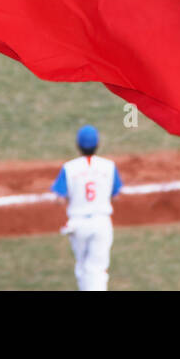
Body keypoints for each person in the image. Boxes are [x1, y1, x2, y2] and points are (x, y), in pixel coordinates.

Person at [50, 124, 122, 290]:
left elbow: (60, 199)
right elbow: (116, 195)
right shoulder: (108, 166)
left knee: (82, 267)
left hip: (78, 225)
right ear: (98, 144)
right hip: (101, 223)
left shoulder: (69, 168)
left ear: (77, 145)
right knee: (98, 269)